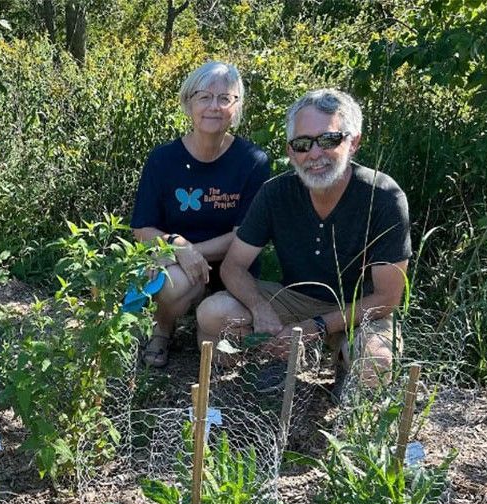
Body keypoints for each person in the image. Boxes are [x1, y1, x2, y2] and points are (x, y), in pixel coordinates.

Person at [196, 88, 411, 385]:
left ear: (354, 143)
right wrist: (261, 309)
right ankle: (253, 373)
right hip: (293, 300)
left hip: (359, 309)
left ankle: (347, 379)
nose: (314, 153)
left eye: (328, 139)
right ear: (290, 151)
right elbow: (233, 267)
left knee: (377, 360)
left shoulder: (384, 196)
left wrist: (315, 327)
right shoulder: (275, 193)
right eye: (302, 143)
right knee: (213, 312)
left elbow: (387, 298)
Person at [130, 61, 271, 367]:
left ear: (237, 106)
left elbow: (244, 235)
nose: (214, 106)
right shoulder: (163, 159)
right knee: (175, 284)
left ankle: (205, 320)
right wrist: (177, 248)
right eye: (204, 97)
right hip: (179, 268)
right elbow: (142, 227)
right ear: (188, 102)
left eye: (225, 98)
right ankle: (163, 329)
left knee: (220, 362)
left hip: (232, 270)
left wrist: (190, 252)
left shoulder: (253, 161)